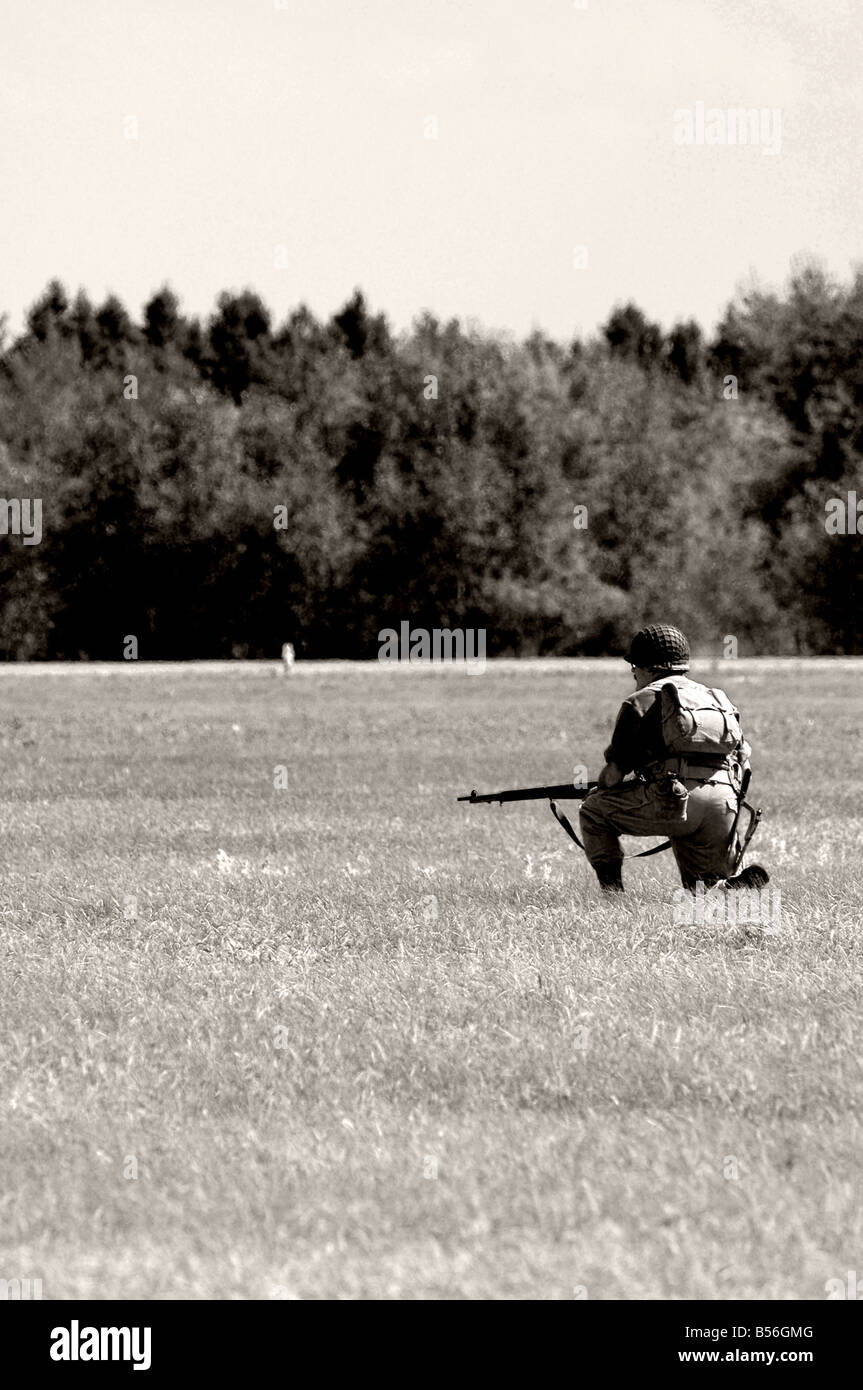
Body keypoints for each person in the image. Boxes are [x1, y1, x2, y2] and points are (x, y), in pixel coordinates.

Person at [579, 625, 767, 894]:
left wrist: (602, 789)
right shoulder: (715, 697)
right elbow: (743, 760)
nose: (633, 672)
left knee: (593, 811)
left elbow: (613, 775)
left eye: (635, 665)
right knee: (703, 893)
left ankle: (613, 898)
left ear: (647, 666)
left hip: (674, 801)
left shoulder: (640, 701)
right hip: (724, 805)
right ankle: (730, 889)